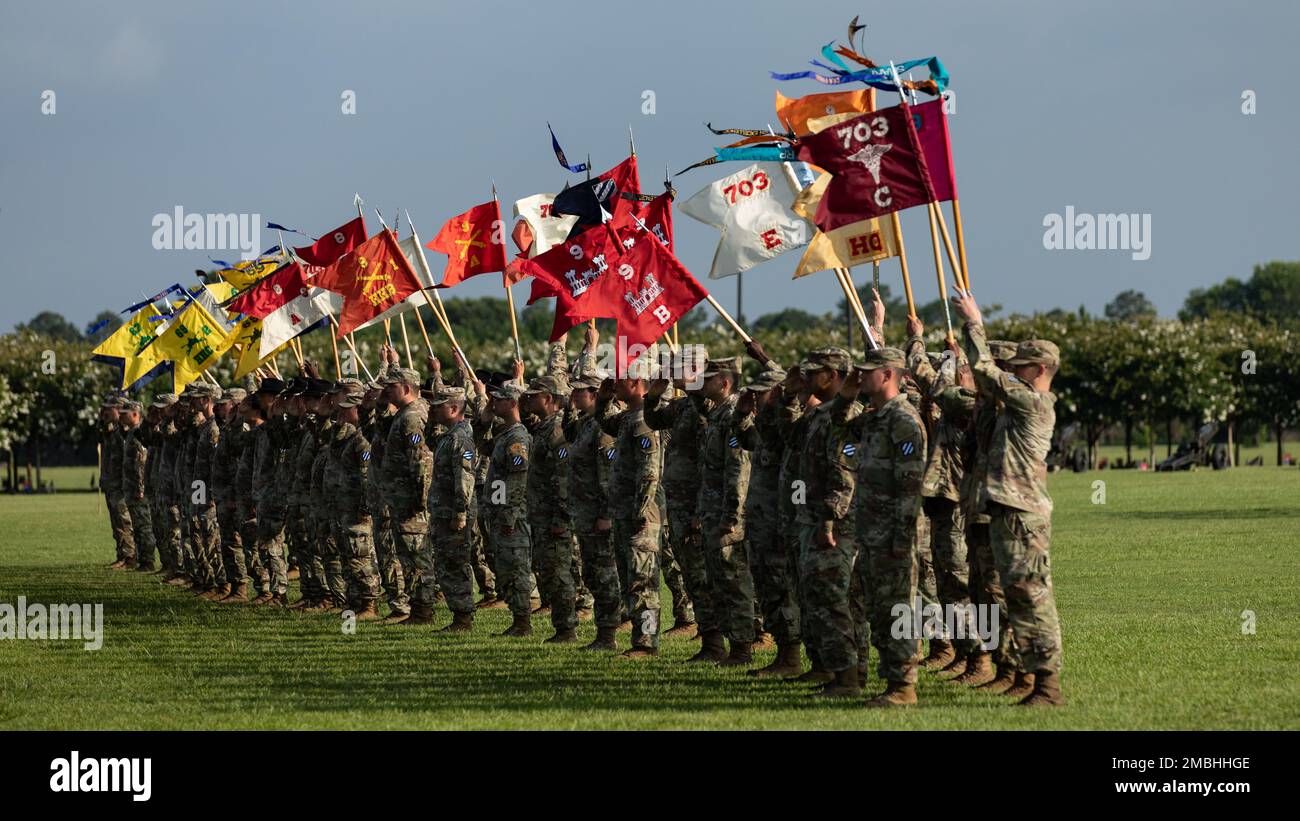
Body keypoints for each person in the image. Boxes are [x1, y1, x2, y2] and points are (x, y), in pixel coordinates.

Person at [952, 291, 1065, 707]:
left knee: (1033, 598)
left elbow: (984, 370)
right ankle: (1031, 680)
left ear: (1038, 370)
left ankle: (1048, 686)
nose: (1011, 374)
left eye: (1018, 369)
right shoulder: (1016, 405)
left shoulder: (1034, 403)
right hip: (1007, 510)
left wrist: (973, 323)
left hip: (1023, 515)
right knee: (1017, 598)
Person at [836, 347, 928, 707]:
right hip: (871, 533)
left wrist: (903, 540)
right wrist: (847, 393)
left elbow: (911, 486)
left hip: (894, 535)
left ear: (888, 374)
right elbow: (836, 426)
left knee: (900, 608)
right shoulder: (874, 417)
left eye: (867, 372)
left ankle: (904, 686)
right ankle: (892, 682)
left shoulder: (903, 420)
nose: (860, 377)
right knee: (879, 609)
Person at [596, 357, 665, 658]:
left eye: (620, 379)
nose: (615, 382)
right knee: (630, 580)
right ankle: (639, 637)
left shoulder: (645, 423)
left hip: (641, 516)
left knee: (643, 583)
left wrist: (640, 513)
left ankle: (646, 643)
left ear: (637, 383)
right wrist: (603, 397)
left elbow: (650, 474)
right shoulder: (628, 418)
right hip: (625, 513)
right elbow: (604, 420)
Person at [695, 356, 757, 666]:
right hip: (712, 512)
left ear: (724, 383)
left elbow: (738, 470)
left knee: (735, 582)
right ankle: (730, 646)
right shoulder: (718, 414)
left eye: (707, 378)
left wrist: (731, 517)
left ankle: (743, 648)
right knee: (720, 582)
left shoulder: (733, 415)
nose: (701, 384)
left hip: (726, 517)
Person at [484, 379, 534, 636]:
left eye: (499, 399)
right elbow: (481, 446)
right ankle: (518, 621)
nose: (494, 402)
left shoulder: (518, 438)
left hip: (511, 515)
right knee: (505, 568)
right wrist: (484, 417)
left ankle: (523, 622)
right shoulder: (504, 433)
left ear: (512, 403)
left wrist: (509, 514)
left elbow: (517, 480)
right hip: (500, 511)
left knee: (516, 568)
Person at [427, 385, 479, 632]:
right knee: (447, 563)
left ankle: (463, 618)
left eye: (440, 406)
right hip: (444, 511)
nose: (434, 410)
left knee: (455, 563)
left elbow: (464, 478)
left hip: (454, 513)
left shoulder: (460, 438)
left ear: (455, 408)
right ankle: (459, 616)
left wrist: (460, 512)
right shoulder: (450, 435)